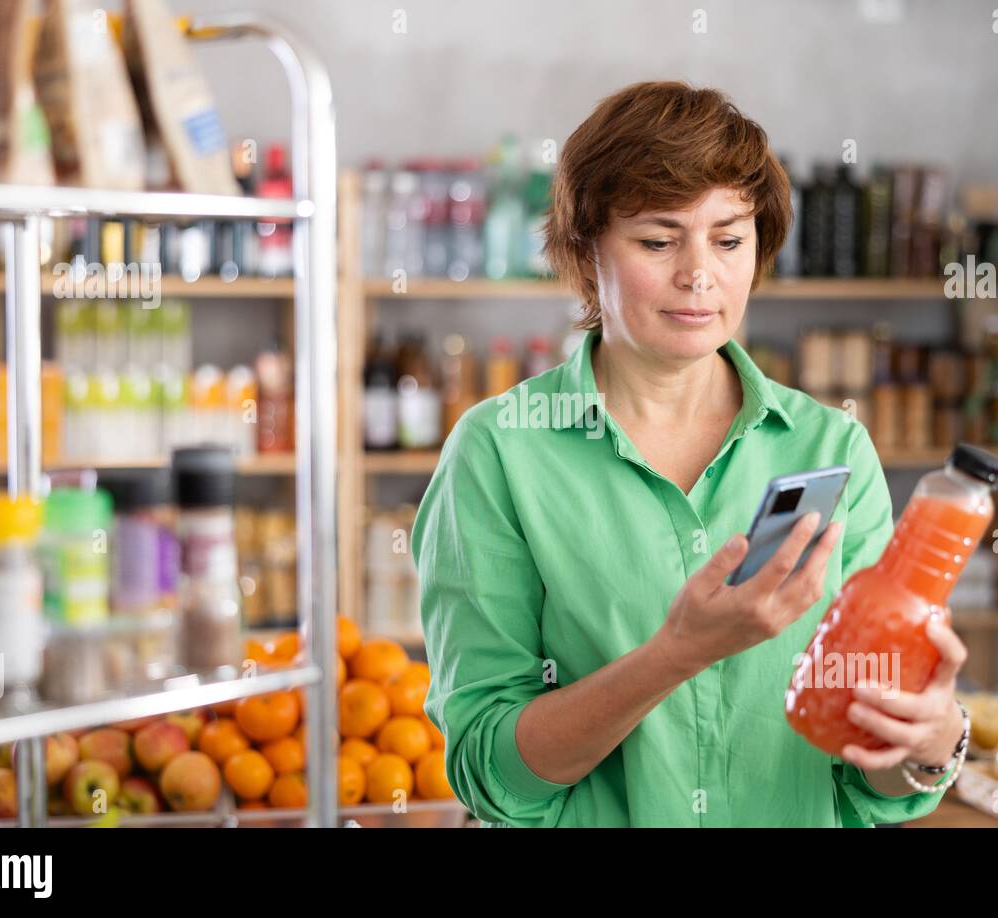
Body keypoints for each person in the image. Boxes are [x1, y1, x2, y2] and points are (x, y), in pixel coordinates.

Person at [410, 81, 968, 827]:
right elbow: (492, 774)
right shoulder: (500, 453)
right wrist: (676, 652)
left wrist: (927, 743)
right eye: (658, 240)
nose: (699, 274)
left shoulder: (831, 448)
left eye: (729, 240)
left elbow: (868, 785)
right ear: (583, 249)